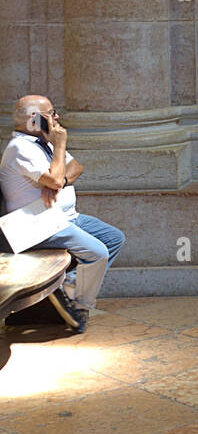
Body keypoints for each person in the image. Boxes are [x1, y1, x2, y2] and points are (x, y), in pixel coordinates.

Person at [0, 95, 125, 331]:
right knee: (98, 253)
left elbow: (76, 167)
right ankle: (77, 303)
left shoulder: (43, 142)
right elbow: (56, 178)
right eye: (51, 113)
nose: (57, 117)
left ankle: (65, 286)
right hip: (36, 224)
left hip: (63, 218)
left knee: (114, 238)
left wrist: (60, 179)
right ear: (34, 120)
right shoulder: (20, 148)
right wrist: (59, 149)